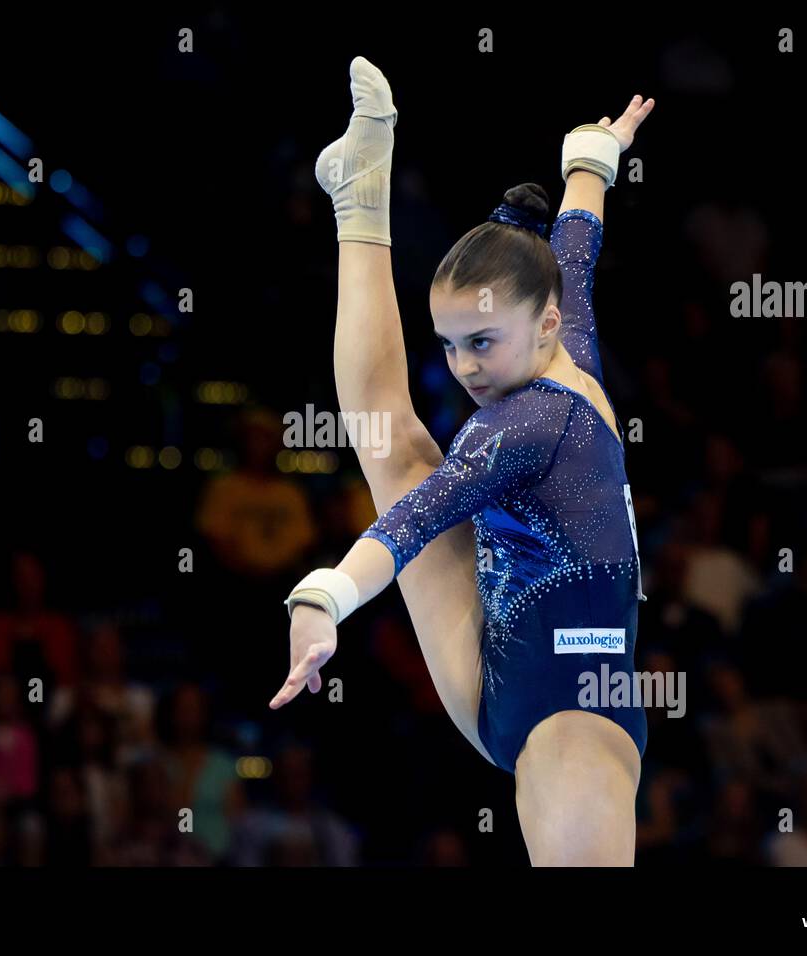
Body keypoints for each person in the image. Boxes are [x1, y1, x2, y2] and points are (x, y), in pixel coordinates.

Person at [271, 56, 655, 866]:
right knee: (395, 448)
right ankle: (359, 189)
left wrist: (327, 595)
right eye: (449, 347)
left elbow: (409, 523)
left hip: (558, 720)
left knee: (395, 452)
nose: (467, 369)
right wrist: (592, 156)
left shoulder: (533, 409)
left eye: (481, 342)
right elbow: (579, 231)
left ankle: (359, 193)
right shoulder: (557, 341)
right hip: (540, 689)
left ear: (546, 321)